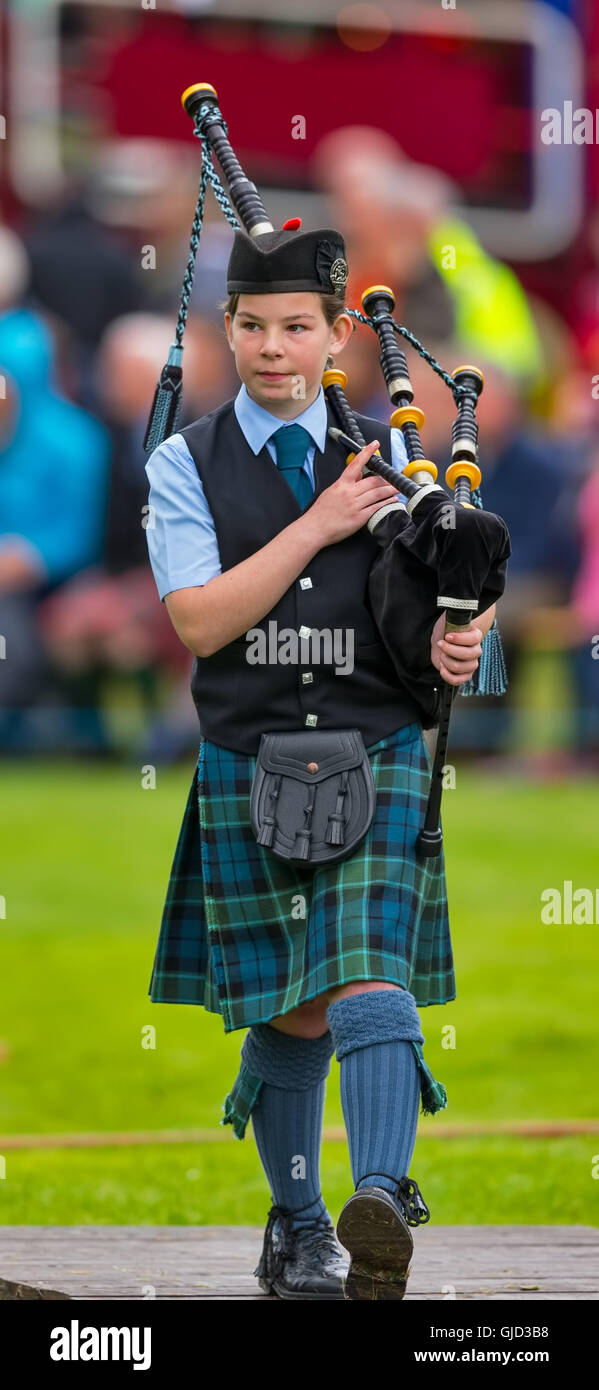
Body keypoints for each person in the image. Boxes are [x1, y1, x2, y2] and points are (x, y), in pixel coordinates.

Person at [144, 223, 495, 1301]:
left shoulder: (400, 463)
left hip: (377, 744)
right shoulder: (182, 463)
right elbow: (201, 622)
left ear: (336, 334)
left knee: (366, 977)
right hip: (252, 754)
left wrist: (457, 646)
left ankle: (378, 1199)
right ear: (226, 330)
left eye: (296, 327)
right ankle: (298, 1222)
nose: (272, 348)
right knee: (288, 1014)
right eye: (251, 326)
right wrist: (320, 522)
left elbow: (434, 620)